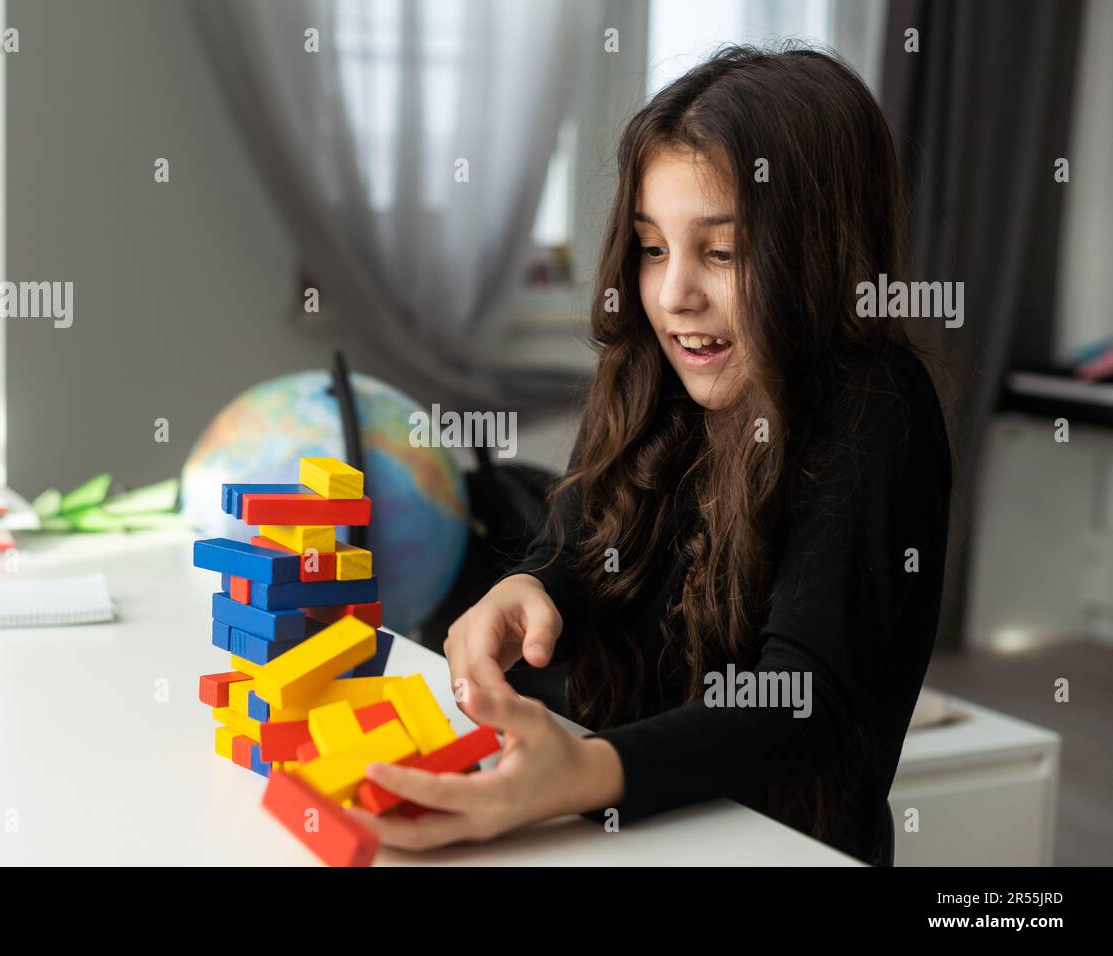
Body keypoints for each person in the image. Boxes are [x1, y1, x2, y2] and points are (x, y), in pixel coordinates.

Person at [344, 44, 953, 867]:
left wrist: (580, 774)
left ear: (821, 251)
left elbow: (799, 699)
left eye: (724, 253)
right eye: (652, 248)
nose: (673, 296)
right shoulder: (656, 373)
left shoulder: (875, 404)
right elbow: (582, 543)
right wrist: (531, 586)